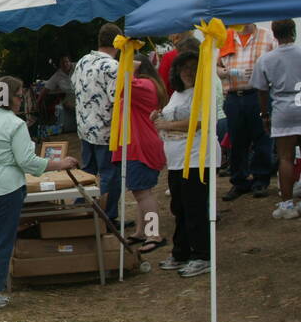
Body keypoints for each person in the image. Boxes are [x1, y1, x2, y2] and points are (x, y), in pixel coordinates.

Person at [0, 76, 79, 311]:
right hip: (1, 189)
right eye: (19, 95)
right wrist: (60, 163)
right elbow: (28, 162)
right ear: (10, 98)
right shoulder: (15, 124)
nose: (21, 99)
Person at [251, 18, 301, 219]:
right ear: (294, 32)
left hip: (285, 107)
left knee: (286, 157)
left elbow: (261, 90)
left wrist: (264, 114)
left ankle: (287, 205)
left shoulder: (266, 59)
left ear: (275, 34)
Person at [154, 50, 219, 277]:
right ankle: (181, 251)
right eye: (184, 68)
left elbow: (199, 121)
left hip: (197, 158)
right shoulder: (177, 94)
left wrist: (167, 125)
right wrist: (159, 118)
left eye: (193, 67)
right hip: (176, 159)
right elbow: (170, 118)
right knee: (179, 207)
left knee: (195, 207)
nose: (189, 72)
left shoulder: (204, 92)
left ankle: (202, 254)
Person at [218, 21, 278, 200]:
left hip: (258, 95)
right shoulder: (226, 37)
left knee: (262, 137)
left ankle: (261, 180)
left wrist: (261, 71)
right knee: (236, 140)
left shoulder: (267, 36)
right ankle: (239, 181)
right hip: (234, 96)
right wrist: (223, 72)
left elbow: (276, 62)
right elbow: (217, 65)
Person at [115, 55, 169, 253]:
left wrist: (129, 66)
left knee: (143, 192)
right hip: (136, 144)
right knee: (141, 192)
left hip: (141, 146)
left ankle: (154, 233)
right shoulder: (143, 84)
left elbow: (121, 86)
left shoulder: (144, 85)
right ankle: (141, 231)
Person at [72, 23, 123, 224]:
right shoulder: (112, 67)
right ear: (117, 43)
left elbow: (75, 86)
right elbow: (116, 98)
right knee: (110, 175)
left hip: (85, 127)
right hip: (106, 130)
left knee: (88, 173)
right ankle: (107, 216)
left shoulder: (83, 61)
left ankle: (81, 209)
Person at [42, 55, 76, 133]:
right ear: (60, 65)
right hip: (70, 96)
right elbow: (46, 88)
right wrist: (38, 101)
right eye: (62, 63)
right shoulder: (57, 75)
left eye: (66, 62)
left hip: (82, 93)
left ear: (70, 62)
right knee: (66, 105)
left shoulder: (78, 67)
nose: (65, 64)